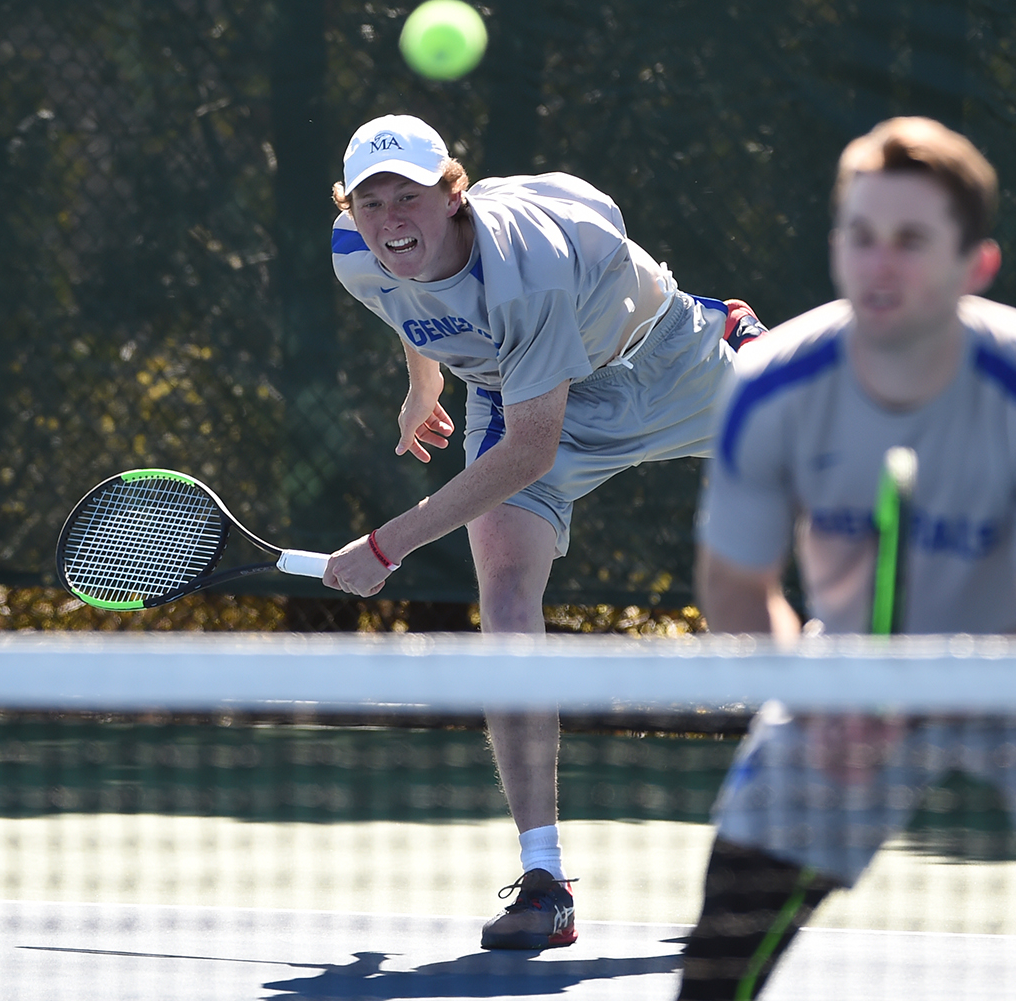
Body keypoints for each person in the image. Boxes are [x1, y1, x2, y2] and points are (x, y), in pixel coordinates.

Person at [678, 117, 1016, 1000]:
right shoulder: (770, 386)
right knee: (713, 971)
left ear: (976, 265)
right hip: (841, 682)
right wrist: (819, 693)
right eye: (861, 236)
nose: (881, 265)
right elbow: (735, 587)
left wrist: (908, 703)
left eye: (912, 242)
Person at [319, 114, 764, 951]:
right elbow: (407, 304)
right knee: (506, 587)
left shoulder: (524, 272)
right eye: (370, 201)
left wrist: (385, 546)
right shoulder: (355, 251)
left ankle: (733, 328)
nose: (388, 219)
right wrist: (425, 387)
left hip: (660, 363)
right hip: (513, 388)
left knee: (833, 457)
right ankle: (544, 880)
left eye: (408, 197)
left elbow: (529, 453)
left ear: (453, 195)